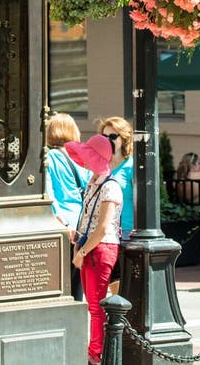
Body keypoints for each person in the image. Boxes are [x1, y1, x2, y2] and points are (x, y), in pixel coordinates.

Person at [65, 134, 123, 365]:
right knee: (93, 305)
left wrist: (82, 253)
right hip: (90, 248)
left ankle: (96, 353)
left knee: (97, 305)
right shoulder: (93, 183)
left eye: (89, 157)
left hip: (101, 249)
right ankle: (94, 350)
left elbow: (103, 228)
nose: (85, 162)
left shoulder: (110, 187)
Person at [45, 113, 90, 301]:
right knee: (78, 275)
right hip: (83, 222)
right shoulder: (81, 157)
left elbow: (49, 193)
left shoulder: (49, 157)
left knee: (60, 279)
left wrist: (57, 217)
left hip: (63, 223)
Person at [98, 116, 134, 240]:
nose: (107, 140)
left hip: (125, 231)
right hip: (99, 231)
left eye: (112, 136)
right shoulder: (99, 164)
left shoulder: (131, 165)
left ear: (124, 139)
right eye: (104, 137)